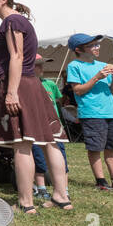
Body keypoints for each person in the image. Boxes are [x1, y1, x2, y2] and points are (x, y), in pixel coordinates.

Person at [0, 0, 71, 214]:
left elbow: (16, 57)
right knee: (49, 141)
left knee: (22, 144)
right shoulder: (18, 20)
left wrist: (11, 92)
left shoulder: (12, 21)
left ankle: (26, 202)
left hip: (19, 85)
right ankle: (61, 197)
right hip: (31, 85)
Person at [66, 33, 113, 192]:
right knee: (95, 148)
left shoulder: (104, 65)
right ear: (78, 49)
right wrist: (96, 77)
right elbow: (78, 90)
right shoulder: (74, 66)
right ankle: (101, 182)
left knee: (112, 147)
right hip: (92, 113)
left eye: (97, 44)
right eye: (92, 45)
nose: (97, 47)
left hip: (111, 112)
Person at [30, 53, 68, 202]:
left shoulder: (50, 84)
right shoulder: (27, 85)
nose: (41, 68)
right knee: (38, 158)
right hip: (36, 126)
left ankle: (64, 190)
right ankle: (41, 188)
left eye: (42, 64)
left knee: (60, 156)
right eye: (37, 64)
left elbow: (57, 101)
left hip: (53, 125)